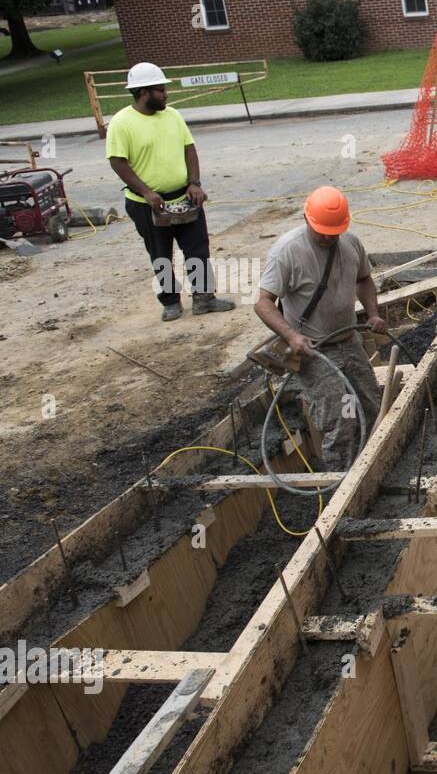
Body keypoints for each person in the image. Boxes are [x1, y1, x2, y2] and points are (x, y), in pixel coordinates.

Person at [253, 186, 385, 472]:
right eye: (322, 231)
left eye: (334, 231)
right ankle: (342, 478)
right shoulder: (287, 252)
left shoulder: (351, 243)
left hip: (349, 340)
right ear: (306, 218)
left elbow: (364, 279)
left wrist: (373, 313)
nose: (328, 237)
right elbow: (263, 303)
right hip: (314, 350)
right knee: (340, 418)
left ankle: (374, 465)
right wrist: (292, 336)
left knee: (371, 404)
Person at [106, 62, 234, 321]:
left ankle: (204, 298)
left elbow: (189, 148)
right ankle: (171, 302)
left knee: (197, 249)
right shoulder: (121, 123)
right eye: (161, 90)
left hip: (184, 197)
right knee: (160, 254)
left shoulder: (173, 115)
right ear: (144, 92)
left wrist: (194, 183)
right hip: (147, 205)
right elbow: (118, 161)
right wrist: (146, 192)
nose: (166, 94)